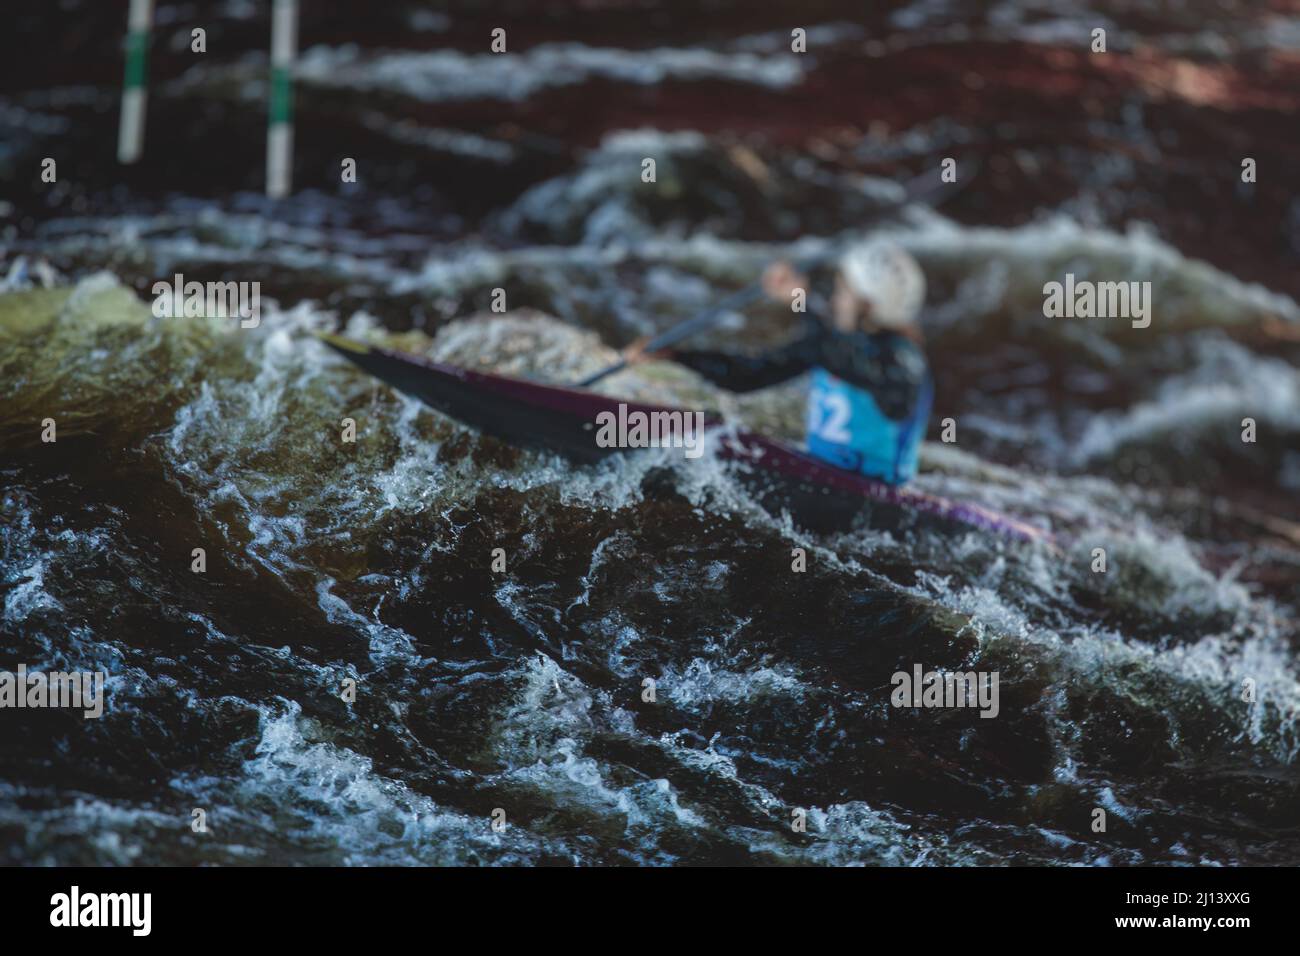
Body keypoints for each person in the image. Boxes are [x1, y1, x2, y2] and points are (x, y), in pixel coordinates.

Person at [624, 241, 933, 485]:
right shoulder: (845, 344)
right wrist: (676, 356)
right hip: (826, 476)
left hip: (871, 493)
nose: (837, 298)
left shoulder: (904, 362)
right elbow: (758, 371)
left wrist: (679, 356)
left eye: (843, 292)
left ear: (867, 306)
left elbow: (840, 359)